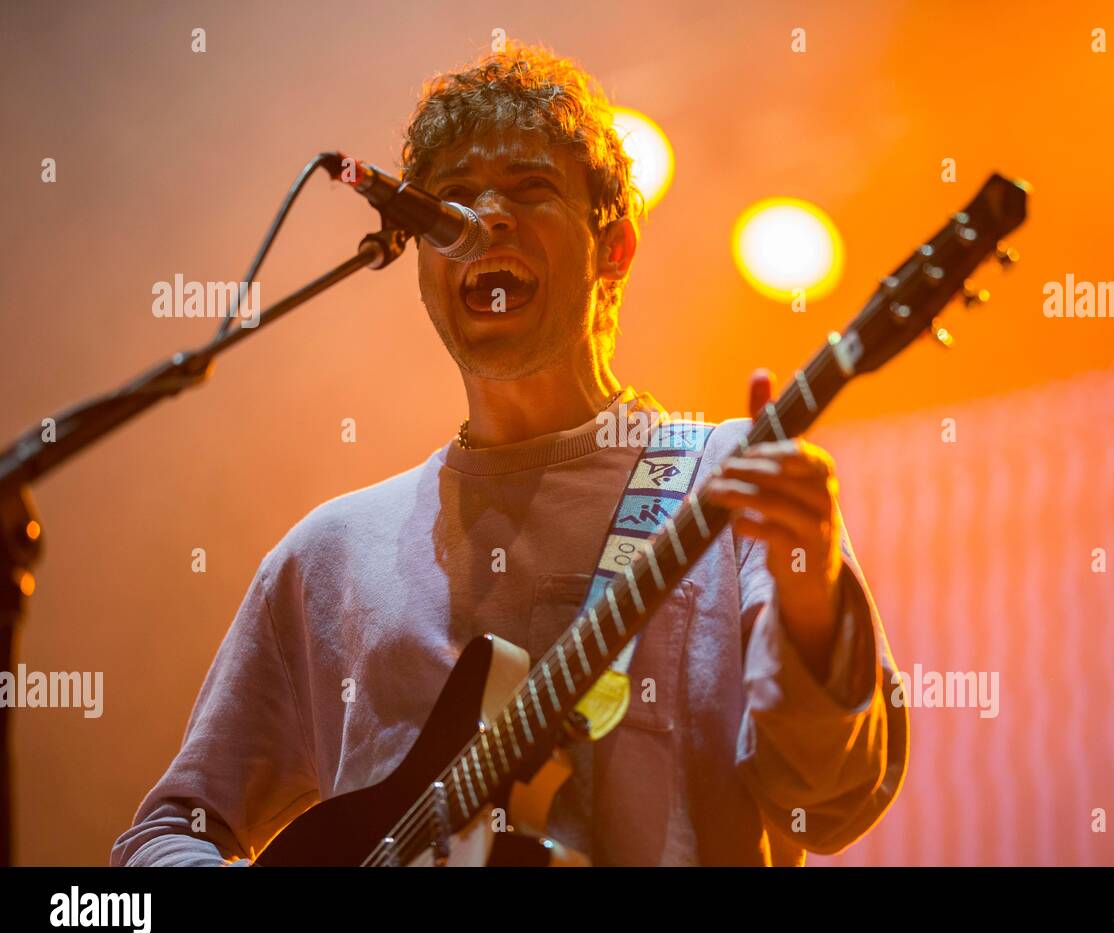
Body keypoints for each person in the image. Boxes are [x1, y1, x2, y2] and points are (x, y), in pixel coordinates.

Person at [111, 41, 907, 867]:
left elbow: (830, 805)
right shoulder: (330, 554)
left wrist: (811, 595)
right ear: (421, 262)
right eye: (451, 201)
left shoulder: (733, 482)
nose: (486, 218)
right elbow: (169, 834)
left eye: (531, 190)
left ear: (616, 249)